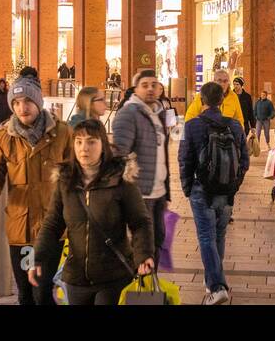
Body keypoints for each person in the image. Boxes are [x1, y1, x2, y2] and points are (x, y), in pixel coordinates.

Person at [31, 119, 155, 305]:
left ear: (103, 145)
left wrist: (143, 255)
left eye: (91, 142)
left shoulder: (120, 179)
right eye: (79, 141)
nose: (84, 148)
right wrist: (37, 257)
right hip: (76, 276)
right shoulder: (66, 180)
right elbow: (53, 223)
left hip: (113, 275)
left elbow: (140, 222)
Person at [0, 71, 73, 304]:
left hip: (52, 227)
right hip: (20, 229)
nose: (23, 108)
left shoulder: (62, 133)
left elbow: (75, 172)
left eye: (28, 101)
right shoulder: (5, 137)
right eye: (17, 103)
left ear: (39, 102)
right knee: (25, 292)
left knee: (42, 291)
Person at [179, 80, 249, 304]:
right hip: (226, 192)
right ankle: (212, 279)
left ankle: (217, 287)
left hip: (202, 190)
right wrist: (235, 184)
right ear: (222, 100)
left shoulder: (192, 126)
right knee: (219, 234)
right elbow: (245, 160)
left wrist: (187, 187)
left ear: (202, 100)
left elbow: (184, 159)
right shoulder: (236, 126)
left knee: (206, 236)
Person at [111, 69, 171, 267]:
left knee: (157, 242)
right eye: (145, 85)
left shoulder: (156, 113)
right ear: (136, 89)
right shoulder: (128, 114)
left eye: (154, 85)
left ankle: (149, 288)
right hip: (140, 194)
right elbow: (119, 155)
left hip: (158, 192)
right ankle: (139, 288)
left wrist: (167, 191)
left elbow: (162, 154)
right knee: (143, 247)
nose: (151, 89)